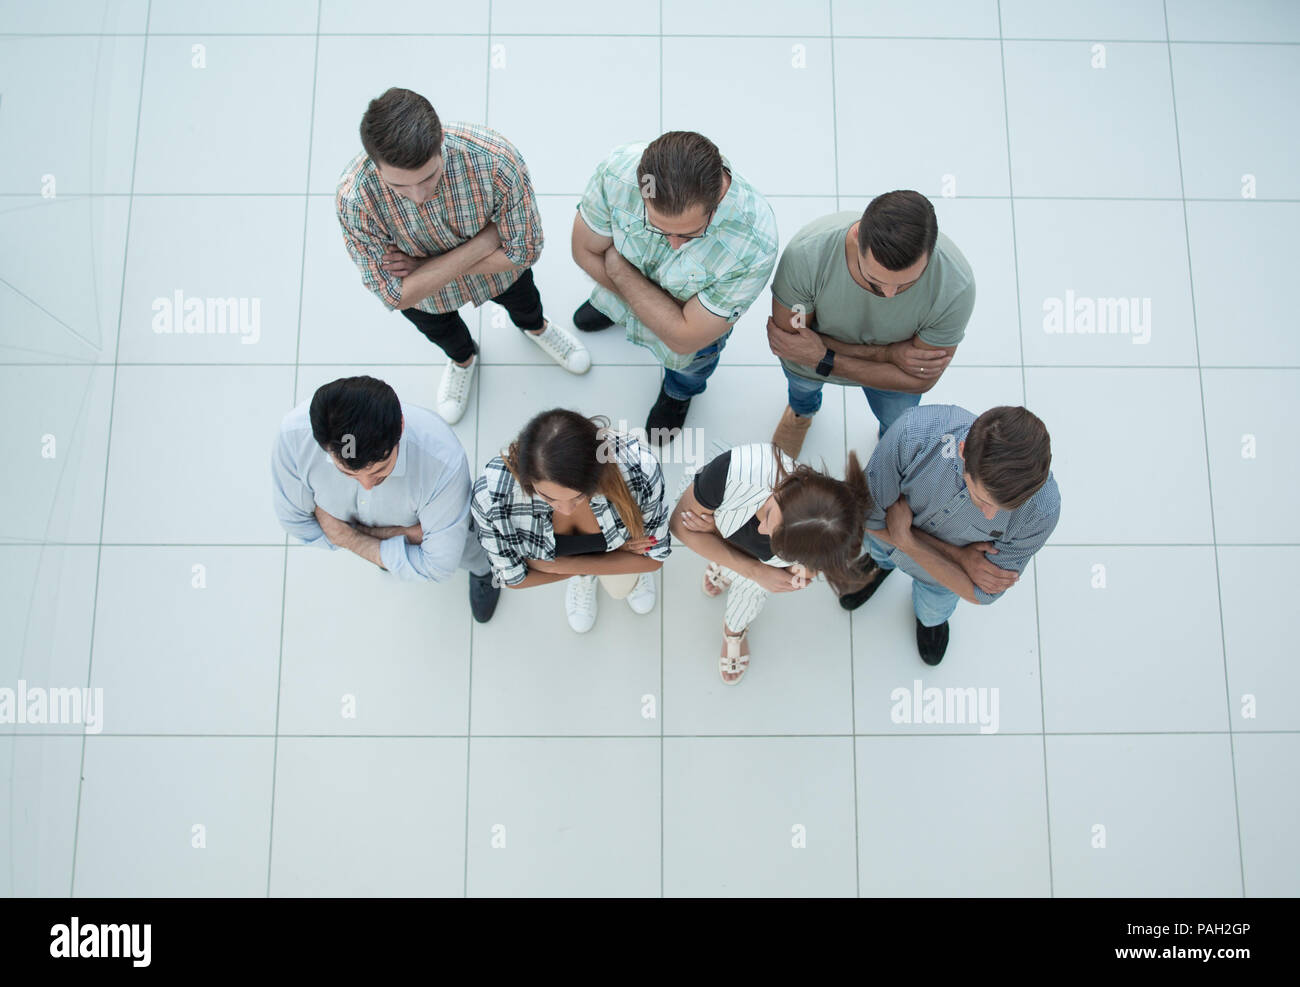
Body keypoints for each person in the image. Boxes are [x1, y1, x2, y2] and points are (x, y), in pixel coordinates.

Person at [336, 87, 590, 424]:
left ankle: (537, 328)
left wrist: (423, 266)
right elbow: (395, 294)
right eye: (399, 187)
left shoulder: (495, 160)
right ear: (375, 165)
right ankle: (463, 360)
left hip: (499, 277)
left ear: (440, 140)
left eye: (428, 177)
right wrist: (486, 241)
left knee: (526, 305)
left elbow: (526, 250)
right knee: (446, 336)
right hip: (430, 300)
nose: (418, 196)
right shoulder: (355, 200)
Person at [571, 131, 778, 443]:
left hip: (683, 342)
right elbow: (583, 253)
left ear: (717, 199)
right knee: (627, 306)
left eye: (690, 234)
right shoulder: (619, 171)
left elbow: (685, 341)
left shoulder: (755, 245)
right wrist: (666, 314)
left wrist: (618, 269)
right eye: (658, 227)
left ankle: (677, 394)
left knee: (689, 371)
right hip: (625, 295)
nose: (674, 243)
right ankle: (615, 311)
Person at [841, 404, 1060, 666]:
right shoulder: (914, 435)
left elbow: (981, 592)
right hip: (903, 549)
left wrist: (907, 542)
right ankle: (880, 565)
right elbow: (865, 516)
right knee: (876, 550)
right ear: (963, 451)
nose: (991, 516)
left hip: (940, 580)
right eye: (981, 499)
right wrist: (958, 556)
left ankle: (930, 621)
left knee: (933, 608)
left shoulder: (1041, 511)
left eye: (1003, 507)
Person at [271, 375, 500, 622]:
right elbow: (296, 524)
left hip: (450, 538)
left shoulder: (442, 461)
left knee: (469, 548)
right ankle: (390, 555)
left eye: (379, 472)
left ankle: (484, 572)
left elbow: (439, 566)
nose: (368, 486)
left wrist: (347, 535)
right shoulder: (294, 436)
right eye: (347, 473)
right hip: (414, 528)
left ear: (400, 426)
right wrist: (402, 536)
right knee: (408, 551)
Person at [767, 190, 975, 458]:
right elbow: (791, 343)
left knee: (897, 418)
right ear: (856, 238)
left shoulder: (955, 286)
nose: (889, 294)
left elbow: (918, 379)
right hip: (828, 367)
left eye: (906, 284)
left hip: (852, 369)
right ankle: (800, 414)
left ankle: (890, 444)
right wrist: (886, 354)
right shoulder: (807, 256)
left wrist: (823, 356)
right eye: (875, 281)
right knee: (802, 388)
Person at [670, 442, 873, 684]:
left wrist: (715, 534)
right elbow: (679, 526)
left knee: (748, 598)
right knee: (719, 549)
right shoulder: (735, 471)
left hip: (742, 549)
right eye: (768, 514)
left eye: (778, 541)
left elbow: (798, 575)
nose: (762, 528)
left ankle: (733, 631)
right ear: (790, 484)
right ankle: (723, 564)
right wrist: (752, 568)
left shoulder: (823, 542)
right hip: (728, 524)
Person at [471, 410, 671, 633]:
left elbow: (654, 559)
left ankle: (602, 574)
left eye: (579, 496)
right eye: (549, 497)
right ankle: (588, 578)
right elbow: (514, 579)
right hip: (619, 551)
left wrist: (562, 566)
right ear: (526, 479)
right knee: (622, 576)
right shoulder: (491, 497)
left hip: (578, 558)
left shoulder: (640, 468)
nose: (565, 510)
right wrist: (617, 558)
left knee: (620, 589)